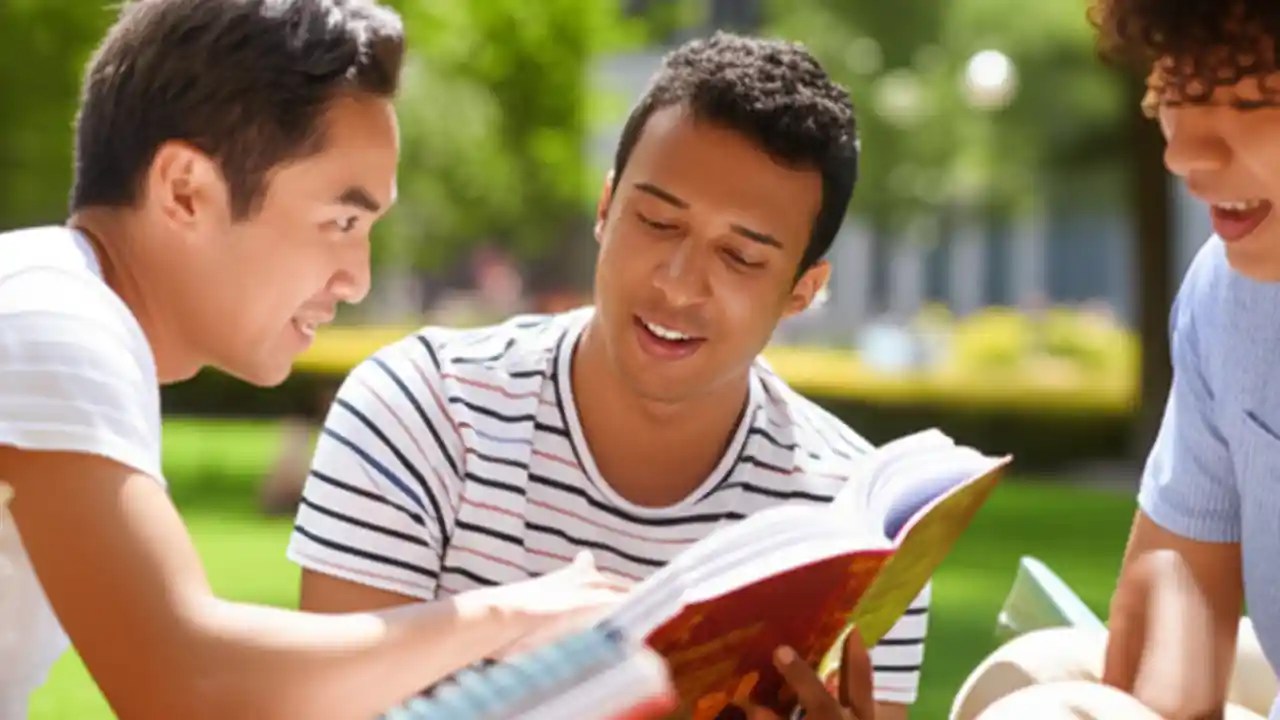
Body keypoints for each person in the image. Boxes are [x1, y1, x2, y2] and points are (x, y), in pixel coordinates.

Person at [0, 2, 624, 718]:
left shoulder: (55, 307)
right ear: (185, 191)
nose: (356, 278)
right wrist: (508, 617)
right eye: (341, 222)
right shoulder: (57, 320)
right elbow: (187, 683)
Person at [288, 31, 931, 720]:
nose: (680, 285)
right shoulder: (422, 411)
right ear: (605, 208)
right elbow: (320, 707)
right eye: (656, 222)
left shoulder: (854, 528)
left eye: (741, 258)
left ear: (803, 289)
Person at [951, 0, 1280, 717]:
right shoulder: (1227, 296)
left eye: (1251, 100)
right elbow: (1180, 590)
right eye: (1175, 94)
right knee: (1030, 681)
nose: (1185, 153)